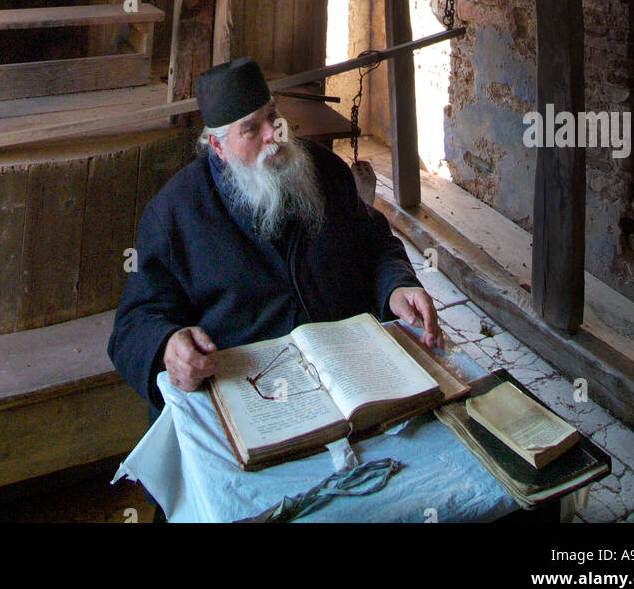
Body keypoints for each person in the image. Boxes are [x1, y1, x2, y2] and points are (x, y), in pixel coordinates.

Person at [109, 56, 442, 412]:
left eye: (273, 115)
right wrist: (167, 347)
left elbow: (375, 245)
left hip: (351, 377)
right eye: (252, 128)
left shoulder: (324, 170)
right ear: (217, 147)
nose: (274, 133)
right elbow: (133, 325)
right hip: (251, 396)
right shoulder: (175, 213)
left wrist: (396, 286)